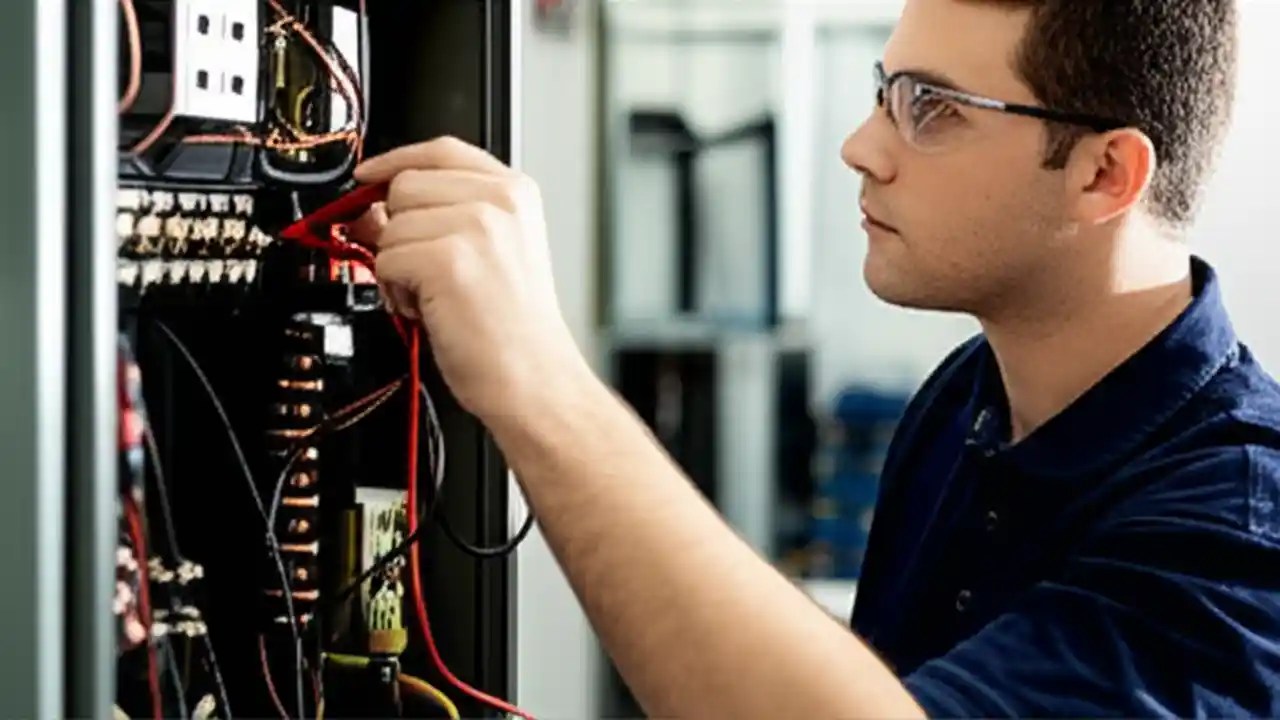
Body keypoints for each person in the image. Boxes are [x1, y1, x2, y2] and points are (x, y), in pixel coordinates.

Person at [352, 0, 1280, 716]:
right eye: (887, 91)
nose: (862, 146)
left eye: (933, 108)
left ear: (1104, 174)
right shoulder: (967, 400)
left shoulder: (1240, 535)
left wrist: (539, 380)